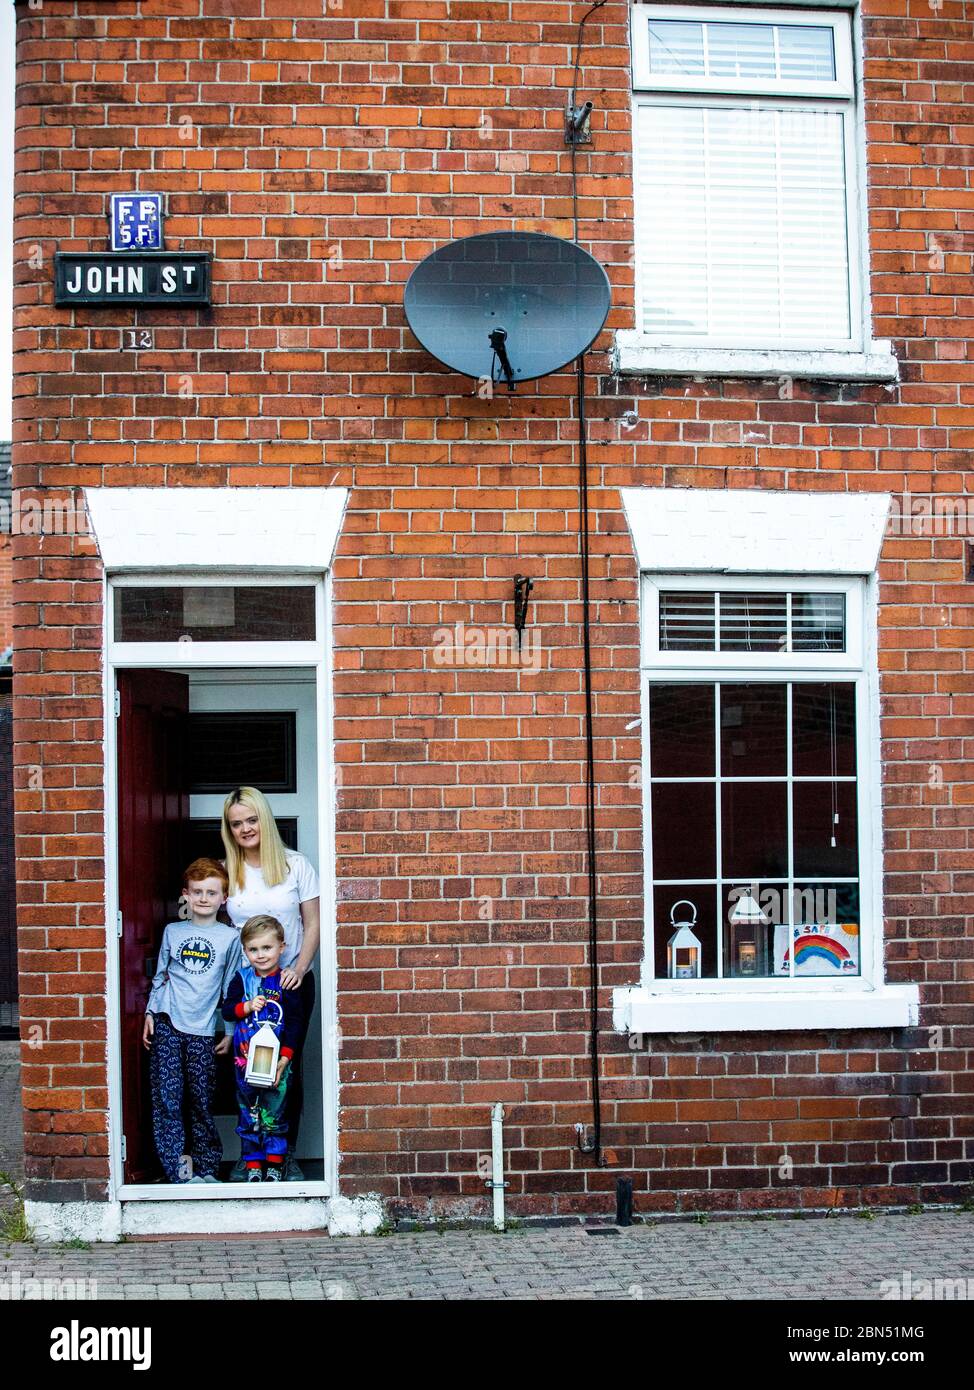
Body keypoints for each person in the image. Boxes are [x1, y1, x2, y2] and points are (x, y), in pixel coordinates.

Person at [221, 786, 320, 1181]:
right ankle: (250, 1156)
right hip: (245, 988)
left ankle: (286, 1154)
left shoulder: (296, 866)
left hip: (290, 983)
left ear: (265, 818)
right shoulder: (229, 870)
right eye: (236, 823)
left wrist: (299, 965)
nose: (245, 828)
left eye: (251, 819)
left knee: (285, 1070)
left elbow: (312, 923)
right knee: (245, 1070)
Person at [143, 858, 242, 1184]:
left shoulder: (229, 939)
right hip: (169, 1024)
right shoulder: (173, 931)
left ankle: (207, 1171)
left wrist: (228, 1030)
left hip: (203, 1032)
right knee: (169, 1102)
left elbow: (230, 988)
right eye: (197, 892)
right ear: (185, 894)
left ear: (223, 897)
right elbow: (160, 978)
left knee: (201, 1102)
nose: (203, 898)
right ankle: (181, 1173)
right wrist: (149, 1013)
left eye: (211, 892)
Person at [222, 915, 308, 1182]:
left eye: (267, 948)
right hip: (244, 1061)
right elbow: (227, 1010)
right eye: (253, 949)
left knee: (275, 1111)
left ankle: (274, 1164)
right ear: (245, 950)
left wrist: (286, 1057)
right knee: (248, 1111)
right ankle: (253, 1166)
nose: (260, 955)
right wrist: (246, 1006)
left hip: (278, 1061)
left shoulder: (287, 981)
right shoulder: (241, 978)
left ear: (281, 947)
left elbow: (295, 1023)